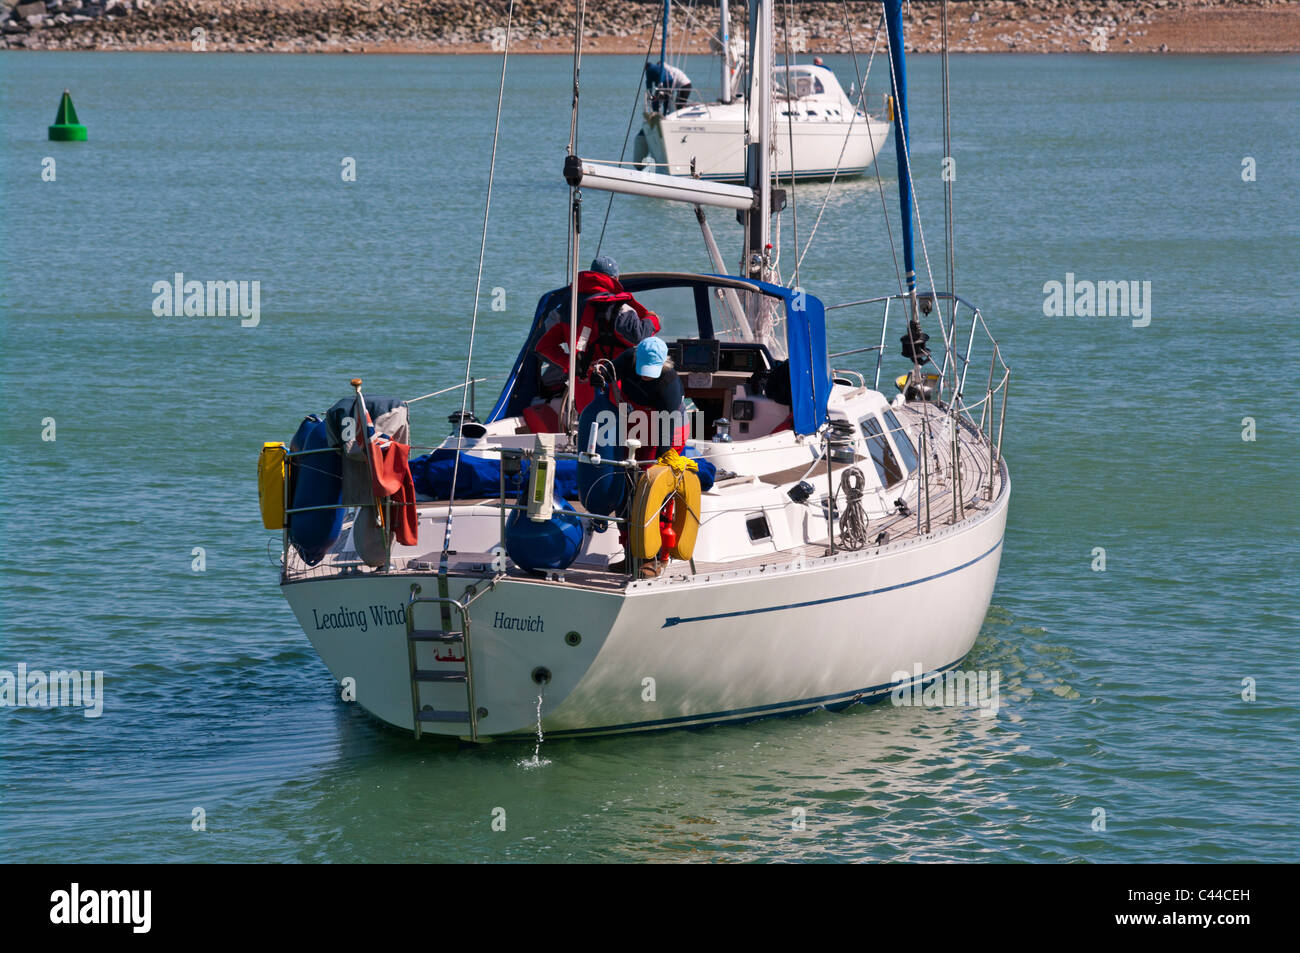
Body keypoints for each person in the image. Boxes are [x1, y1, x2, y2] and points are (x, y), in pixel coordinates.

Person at [529, 256, 660, 430]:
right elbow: (641, 336)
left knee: (589, 434)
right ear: (615, 279)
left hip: (582, 388)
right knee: (617, 440)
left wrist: (572, 365)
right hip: (616, 388)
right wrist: (652, 319)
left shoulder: (566, 307)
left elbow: (541, 345)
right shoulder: (619, 308)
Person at [594, 337, 688, 578]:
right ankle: (630, 555)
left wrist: (657, 465)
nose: (646, 376)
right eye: (643, 370)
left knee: (655, 494)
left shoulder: (670, 386)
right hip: (636, 425)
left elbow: (665, 433)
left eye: (651, 372)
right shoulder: (628, 358)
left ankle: (656, 559)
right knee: (625, 491)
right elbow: (606, 370)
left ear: (664, 364)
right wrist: (600, 375)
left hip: (666, 431)